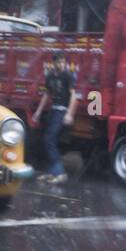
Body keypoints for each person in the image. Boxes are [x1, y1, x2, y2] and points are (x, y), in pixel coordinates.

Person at [30, 51, 77, 182]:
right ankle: (52, 172)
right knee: (48, 140)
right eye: (59, 62)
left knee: (49, 140)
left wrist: (69, 114)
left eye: (63, 62)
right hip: (53, 110)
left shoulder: (67, 76)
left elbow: (73, 96)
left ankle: (60, 172)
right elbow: (46, 95)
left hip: (62, 111)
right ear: (54, 63)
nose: (61, 64)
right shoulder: (50, 76)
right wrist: (38, 112)